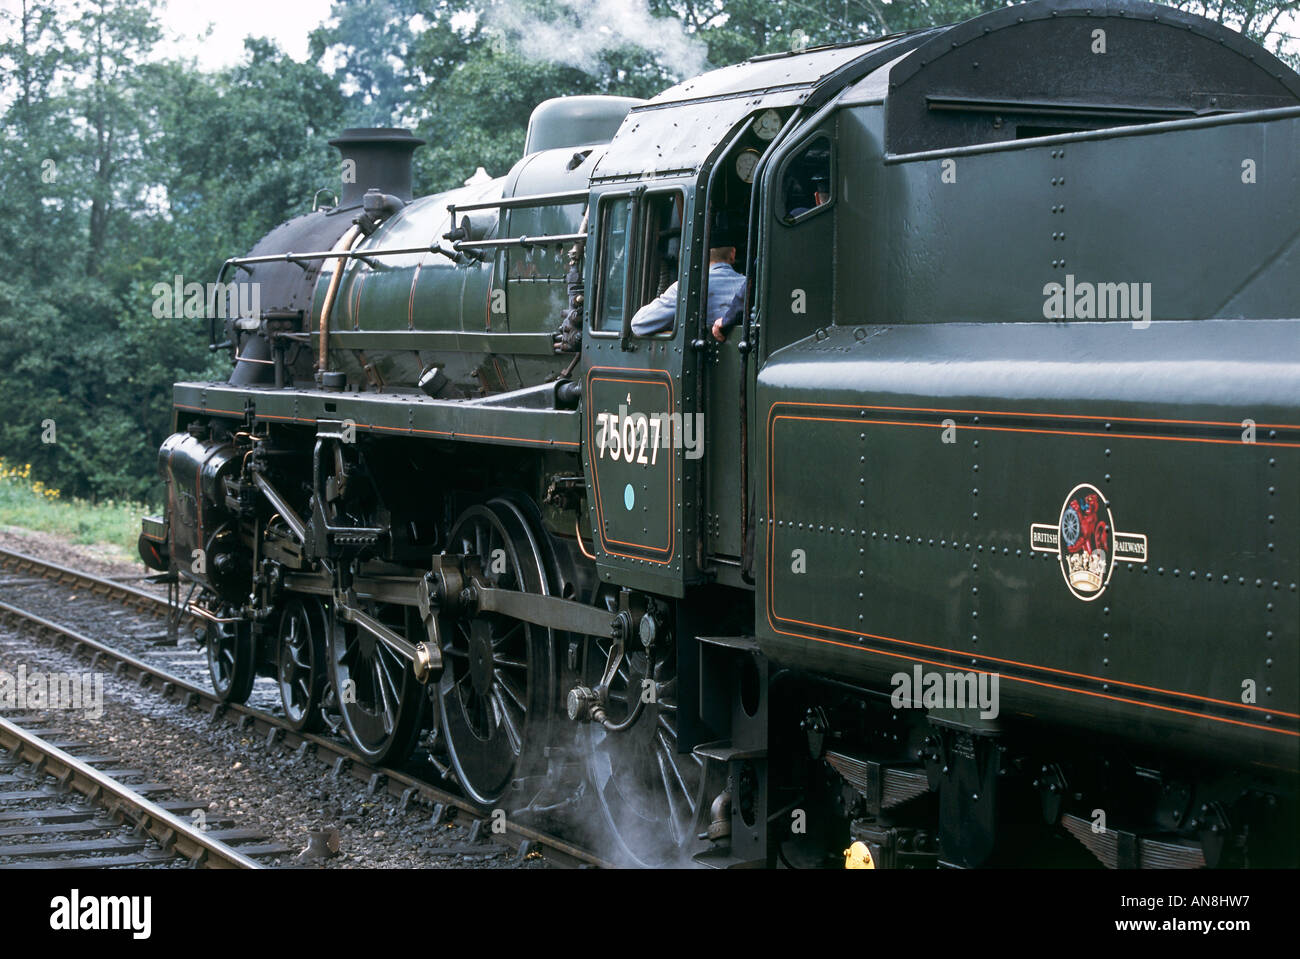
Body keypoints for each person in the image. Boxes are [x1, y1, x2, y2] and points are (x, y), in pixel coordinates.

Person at [630, 216, 747, 342]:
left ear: (699, 255)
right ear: (733, 253)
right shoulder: (750, 288)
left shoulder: (684, 288)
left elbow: (639, 324)